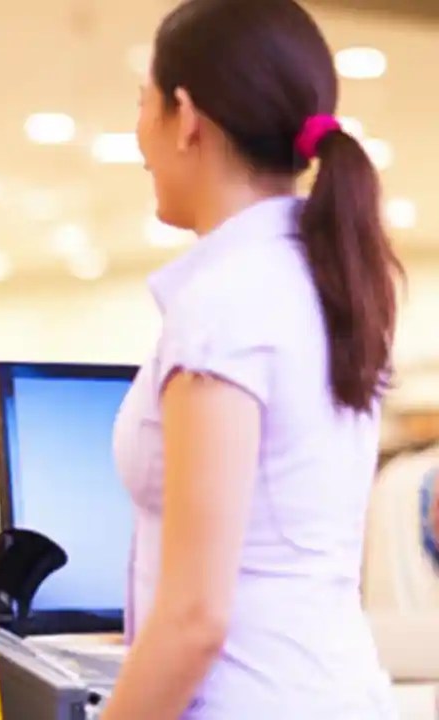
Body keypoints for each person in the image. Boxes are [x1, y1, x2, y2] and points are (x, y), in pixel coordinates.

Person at [105, 1, 403, 718]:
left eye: (141, 102)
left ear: (186, 115)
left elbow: (194, 621)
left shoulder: (225, 306)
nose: (138, 132)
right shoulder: (320, 278)